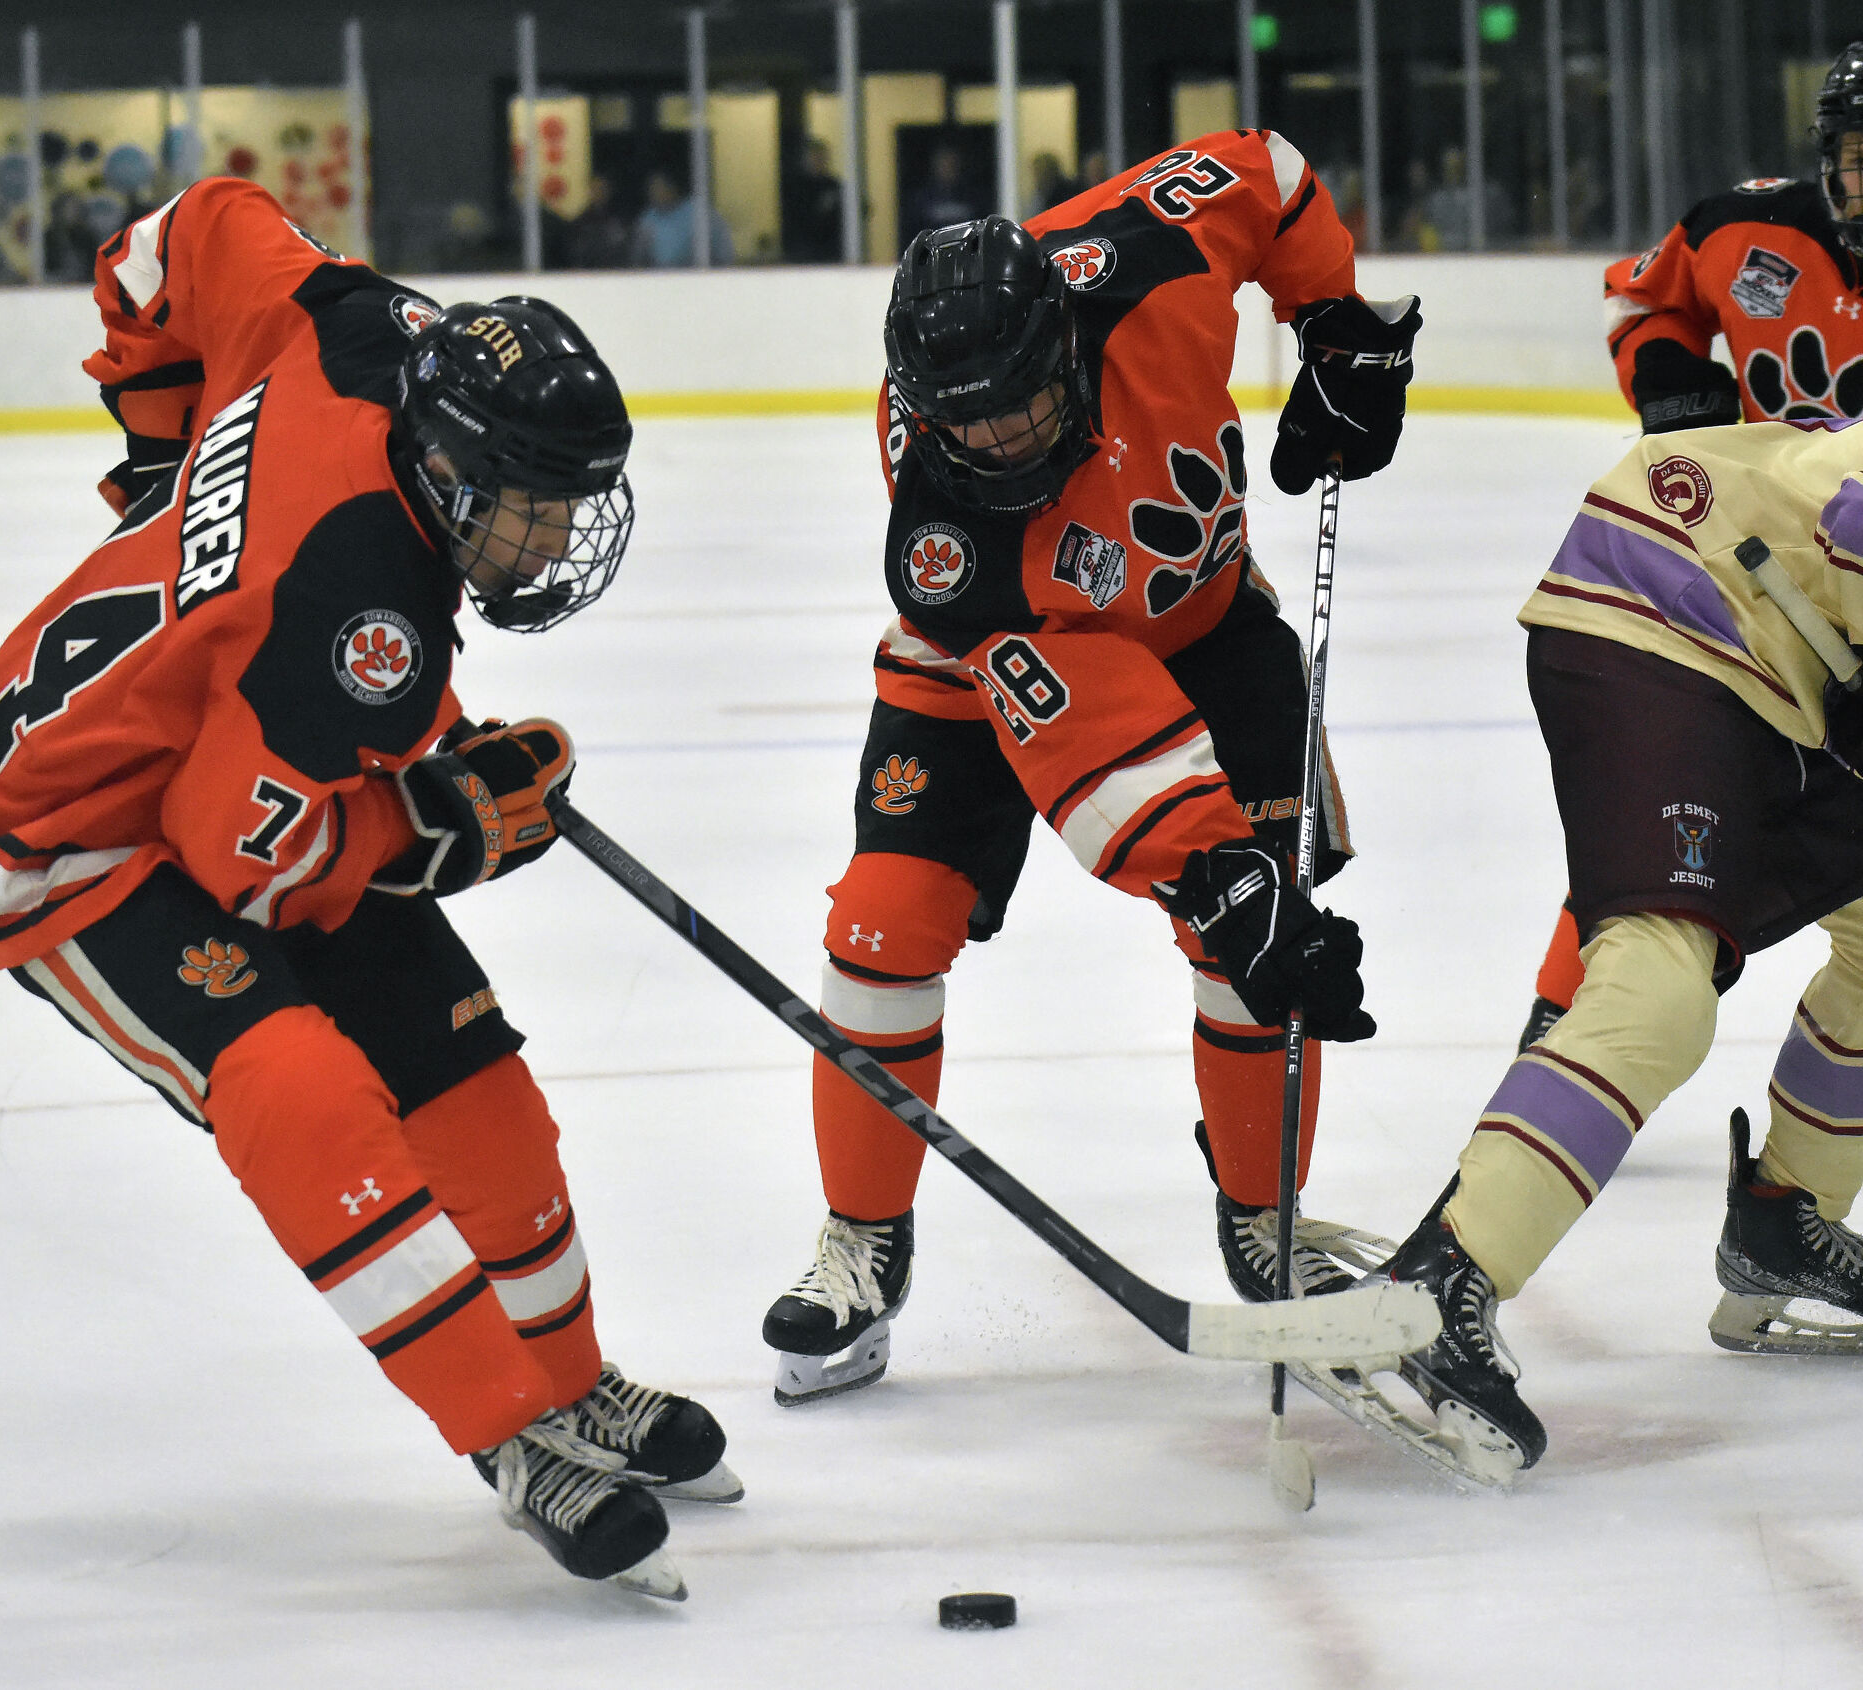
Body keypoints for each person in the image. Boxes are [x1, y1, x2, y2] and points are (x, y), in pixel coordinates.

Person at [0, 177, 739, 1601]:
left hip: (226, 747)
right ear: (447, 475)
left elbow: (171, 233)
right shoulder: (356, 621)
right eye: (531, 514)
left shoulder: (355, 321)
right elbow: (241, 862)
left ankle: (568, 1380)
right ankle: (511, 1437)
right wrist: (439, 830)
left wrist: (161, 461)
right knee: (298, 1082)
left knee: (465, 1064)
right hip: (64, 841)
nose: (553, 544)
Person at [758, 133, 1422, 1404]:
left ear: (1061, 331)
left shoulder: (1139, 255)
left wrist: (1332, 319)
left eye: (1021, 398)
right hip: (988, 666)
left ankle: (1261, 1219)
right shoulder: (948, 540)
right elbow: (1086, 727)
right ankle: (862, 1237)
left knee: (1256, 946)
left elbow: (1272, 175)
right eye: (969, 420)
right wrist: (1214, 868)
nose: (1001, 436)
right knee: (882, 923)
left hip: (1212, 626)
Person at [1377, 414, 1863, 1476]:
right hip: (1661, 602)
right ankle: (1437, 1283)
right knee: (1659, 987)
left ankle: (1785, 1219)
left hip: (1778, 665)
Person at [1520, 43, 1863, 1052]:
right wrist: (1670, 380)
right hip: (1760, 583)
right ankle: (1571, 1010)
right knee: (1663, 811)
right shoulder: (1740, 228)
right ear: (1825, 157)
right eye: (1857, 153)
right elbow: (1643, 295)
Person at [631, 167, 734, 267]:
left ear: (672, 187)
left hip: (698, 275)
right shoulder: (649, 218)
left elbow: (723, 247)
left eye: (658, 187)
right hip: (661, 277)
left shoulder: (698, 212)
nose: (653, 193)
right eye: (651, 189)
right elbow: (638, 255)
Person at [901, 141, 982, 248]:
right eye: (944, 164)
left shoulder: (972, 197)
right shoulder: (921, 199)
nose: (948, 169)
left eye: (952, 164)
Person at [782, 137, 844, 264]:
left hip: (832, 252)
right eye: (814, 157)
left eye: (821, 157)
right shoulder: (796, 188)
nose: (818, 161)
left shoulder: (834, 186)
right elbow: (796, 220)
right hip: (804, 253)